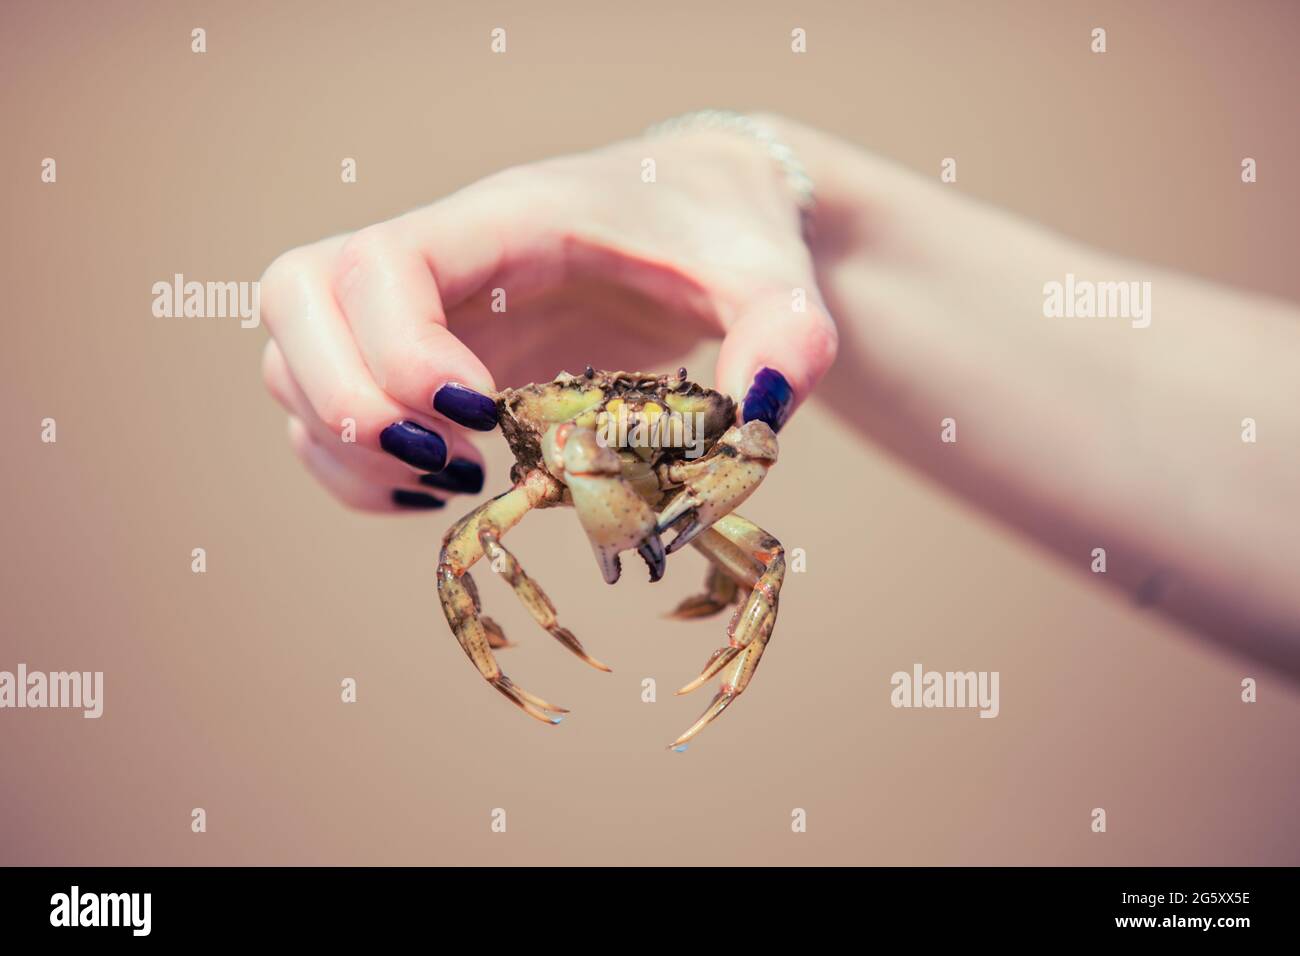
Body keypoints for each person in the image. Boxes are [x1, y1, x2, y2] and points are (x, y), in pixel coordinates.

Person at [259, 111, 1300, 677]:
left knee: (760, 568)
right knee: (461, 550)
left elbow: (745, 444)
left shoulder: (686, 434)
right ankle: (543, 655)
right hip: (553, 459)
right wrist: (765, 180)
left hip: (666, 462)